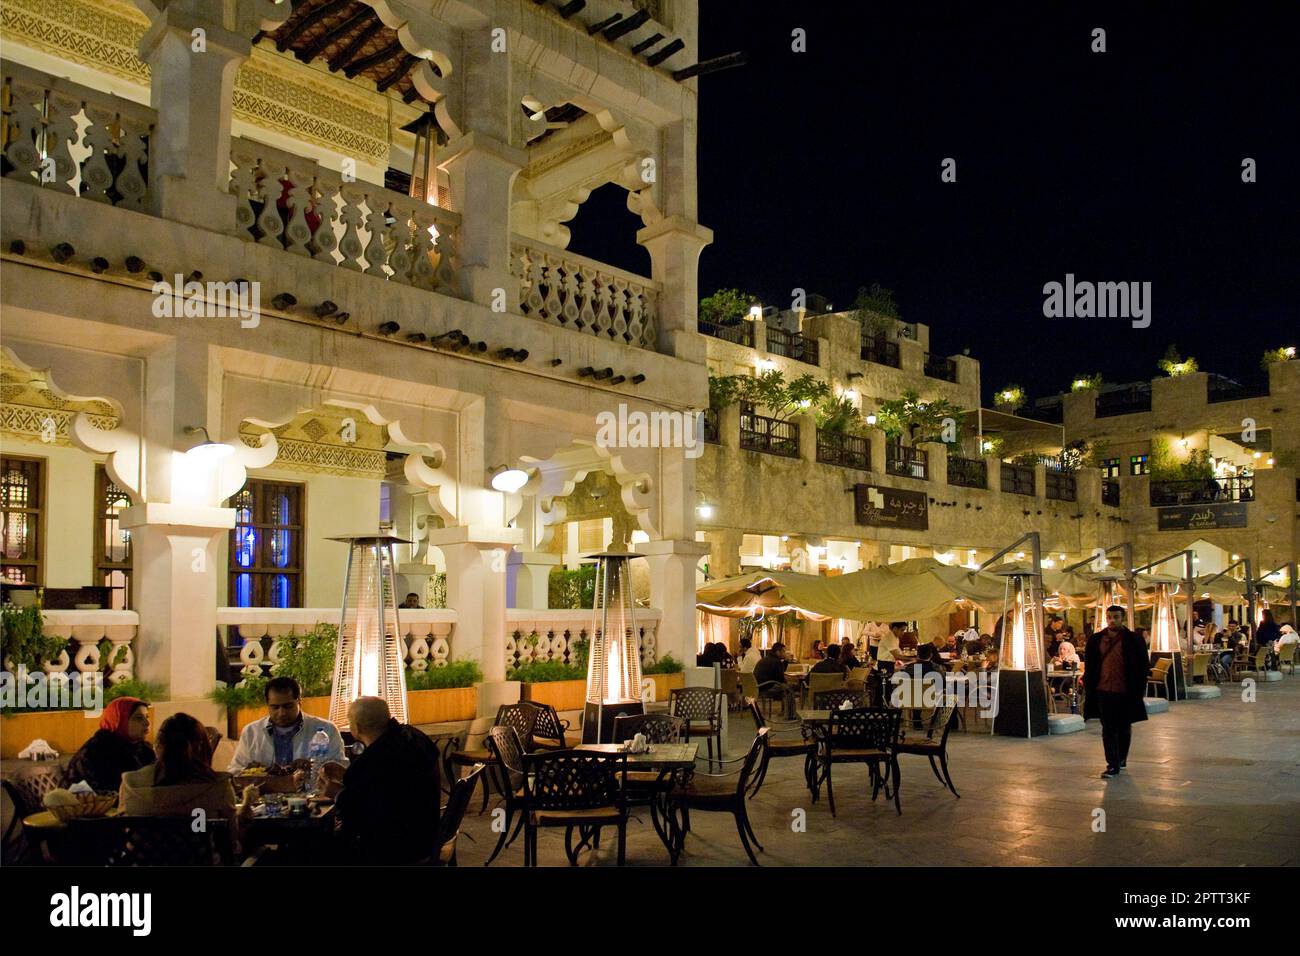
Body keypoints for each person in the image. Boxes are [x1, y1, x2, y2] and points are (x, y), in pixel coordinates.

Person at [320, 697, 441, 865]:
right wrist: (348, 776)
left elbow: (368, 814)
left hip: (394, 846)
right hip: (424, 833)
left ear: (356, 727)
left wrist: (338, 793)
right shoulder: (411, 738)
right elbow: (384, 790)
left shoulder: (378, 758)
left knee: (312, 846)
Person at [119, 713, 237, 820]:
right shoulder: (218, 788)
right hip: (196, 842)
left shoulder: (130, 784)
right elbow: (231, 838)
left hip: (144, 844)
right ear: (200, 747)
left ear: (158, 746)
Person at [228, 676, 348, 773]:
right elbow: (234, 771)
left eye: (288, 706)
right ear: (267, 704)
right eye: (275, 707)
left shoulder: (327, 729)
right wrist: (249, 771)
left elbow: (341, 771)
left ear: (299, 702)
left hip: (311, 796)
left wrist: (312, 766)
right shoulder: (251, 732)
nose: (281, 713)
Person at [1083, 605, 1149, 778]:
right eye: (1110, 617)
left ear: (1123, 618)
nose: (1112, 620)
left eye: (1116, 617)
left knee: (1124, 726)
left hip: (1125, 691)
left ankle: (1121, 758)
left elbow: (1143, 666)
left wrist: (1138, 691)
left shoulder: (1134, 640)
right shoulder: (1096, 639)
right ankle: (1112, 763)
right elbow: (1090, 665)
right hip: (1103, 690)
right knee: (1108, 728)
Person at [63, 696, 155, 792]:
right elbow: (106, 794)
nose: (147, 723)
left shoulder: (144, 749)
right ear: (118, 720)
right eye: (139, 718)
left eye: (147, 716)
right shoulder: (97, 752)